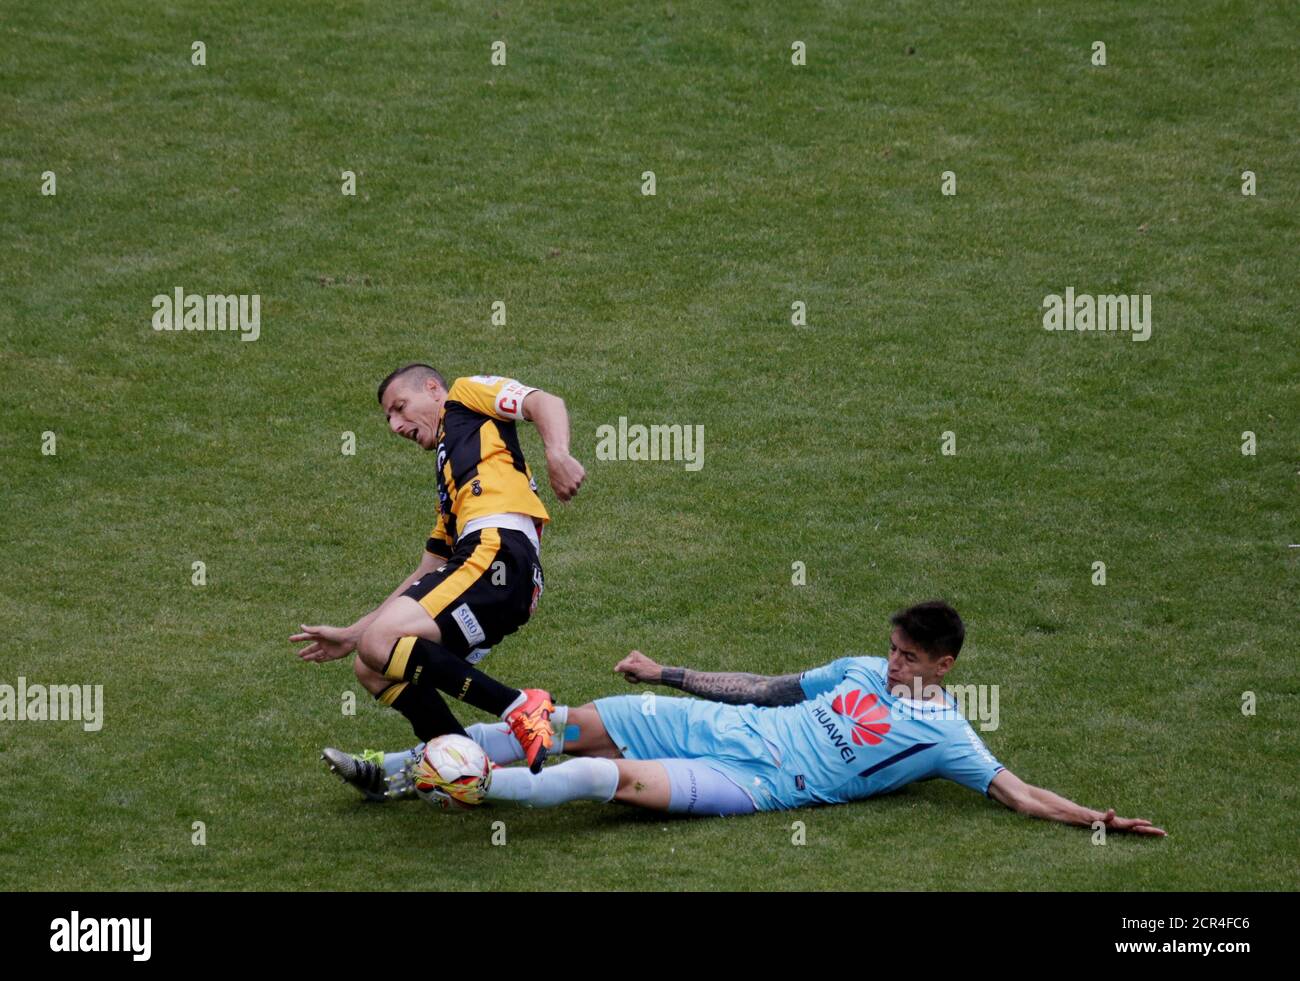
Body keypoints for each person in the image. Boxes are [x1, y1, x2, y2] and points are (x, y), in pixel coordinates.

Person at [325, 601, 1165, 836]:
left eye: (910, 658)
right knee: (563, 725)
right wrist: (669, 673)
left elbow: (1018, 794)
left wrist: (1096, 816)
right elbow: (767, 687)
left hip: (751, 781)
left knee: (598, 777)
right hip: (710, 729)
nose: (893, 663)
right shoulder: (861, 670)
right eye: (894, 649)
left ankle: (456, 783)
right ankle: (397, 773)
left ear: (944, 667)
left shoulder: (947, 735)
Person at [296, 365, 586, 776]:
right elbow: (428, 572)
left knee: (381, 643)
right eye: (389, 420)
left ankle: (521, 706)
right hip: (501, 579)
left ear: (433, 389)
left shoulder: (464, 397)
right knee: (371, 665)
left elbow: (544, 402)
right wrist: (352, 634)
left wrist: (557, 453)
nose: (395, 425)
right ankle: (472, 773)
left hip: (496, 551)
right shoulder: (451, 489)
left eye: (399, 408)